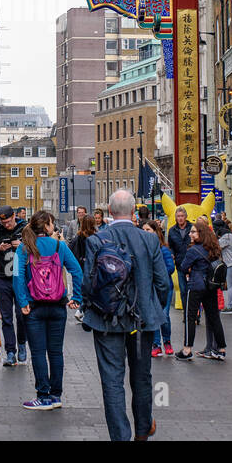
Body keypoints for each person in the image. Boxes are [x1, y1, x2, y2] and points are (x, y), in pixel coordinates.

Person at [81, 189, 171, 442]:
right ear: (133, 212)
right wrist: (154, 307)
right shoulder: (149, 240)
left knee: (112, 380)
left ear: (109, 211)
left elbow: (88, 284)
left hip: (106, 319)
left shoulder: (96, 240)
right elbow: (163, 283)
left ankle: (120, 436)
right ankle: (142, 431)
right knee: (142, 376)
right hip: (142, 320)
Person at [13, 210, 84, 409]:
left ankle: (42, 396)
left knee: (37, 352)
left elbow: (17, 277)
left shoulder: (24, 249)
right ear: (46, 226)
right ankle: (56, 396)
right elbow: (77, 271)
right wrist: (76, 298)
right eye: (52, 223)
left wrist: (23, 302)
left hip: (34, 308)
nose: (54, 227)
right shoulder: (60, 246)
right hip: (58, 306)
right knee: (56, 353)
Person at [176, 218, 226, 361]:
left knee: (190, 317)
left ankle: (187, 350)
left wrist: (189, 269)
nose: (190, 234)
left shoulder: (193, 250)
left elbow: (183, 267)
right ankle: (221, 349)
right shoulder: (213, 248)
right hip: (210, 286)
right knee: (214, 317)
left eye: (193, 232)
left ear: (200, 233)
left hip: (196, 285)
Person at [0, 205, 29, 366]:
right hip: (1, 277)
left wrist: (23, 246)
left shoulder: (25, 228)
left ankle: (22, 345)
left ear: (14, 216)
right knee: (6, 318)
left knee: (21, 315)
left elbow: (35, 250)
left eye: (9, 221)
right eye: (4, 222)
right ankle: (10, 351)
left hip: (20, 279)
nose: (7, 225)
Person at [141, 220, 175, 357]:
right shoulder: (141, 250)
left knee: (164, 316)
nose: (145, 233)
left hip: (164, 287)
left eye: (148, 230)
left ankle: (167, 341)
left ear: (155, 232)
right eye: (143, 230)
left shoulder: (163, 249)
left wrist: (157, 273)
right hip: (150, 288)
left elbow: (170, 268)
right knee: (154, 316)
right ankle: (156, 344)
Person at [166, 206, 193, 311]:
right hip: (180, 263)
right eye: (178, 216)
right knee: (183, 290)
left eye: (182, 216)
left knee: (194, 291)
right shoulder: (172, 231)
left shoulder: (192, 228)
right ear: (176, 218)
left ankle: (195, 314)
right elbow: (171, 246)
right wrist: (172, 254)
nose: (180, 218)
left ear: (186, 216)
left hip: (193, 263)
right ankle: (186, 314)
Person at [216, 217, 232, 313]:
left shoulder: (225, 238)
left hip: (231, 264)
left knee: (231, 286)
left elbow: (216, 247)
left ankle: (230, 307)